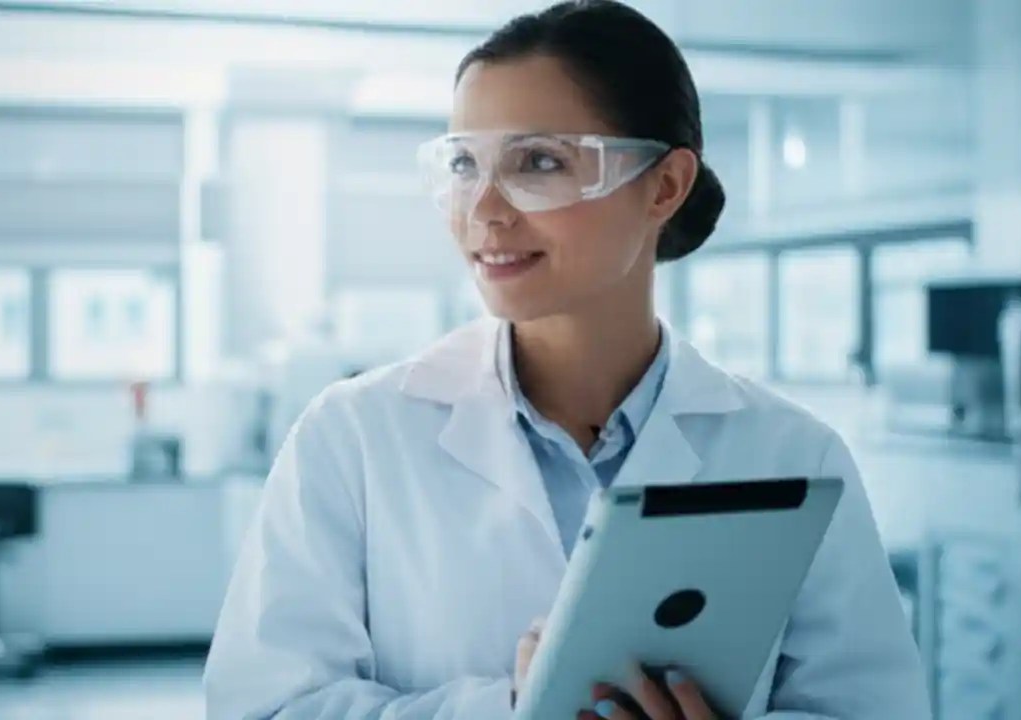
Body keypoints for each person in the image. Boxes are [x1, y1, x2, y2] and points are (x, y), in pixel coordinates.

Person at [204, 2, 930, 718]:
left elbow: (876, 708)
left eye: (539, 162)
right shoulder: (353, 438)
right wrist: (516, 707)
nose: (482, 210)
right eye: (464, 164)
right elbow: (263, 708)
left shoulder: (794, 454)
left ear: (665, 187)